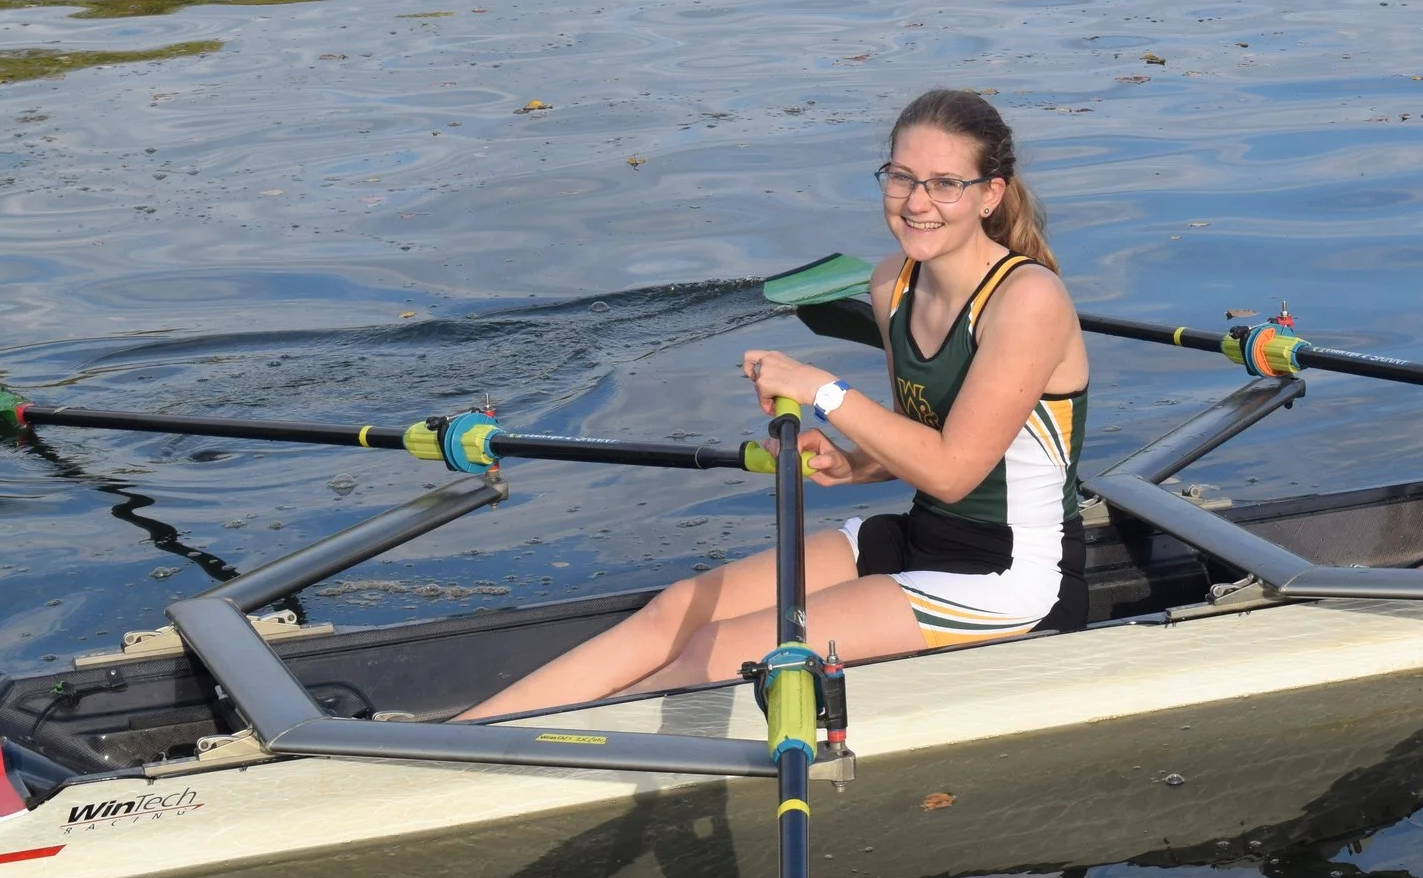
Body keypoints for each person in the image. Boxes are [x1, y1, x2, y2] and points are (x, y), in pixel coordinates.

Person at [461, 89, 1090, 717]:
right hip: (922, 537)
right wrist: (853, 463)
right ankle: (461, 736)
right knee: (678, 610)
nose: (917, 203)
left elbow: (953, 471)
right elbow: (912, 438)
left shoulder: (1027, 300)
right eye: (901, 178)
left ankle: (536, 755)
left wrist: (824, 393)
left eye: (945, 184)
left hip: (1013, 575)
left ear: (990, 194)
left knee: (722, 647)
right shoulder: (892, 281)